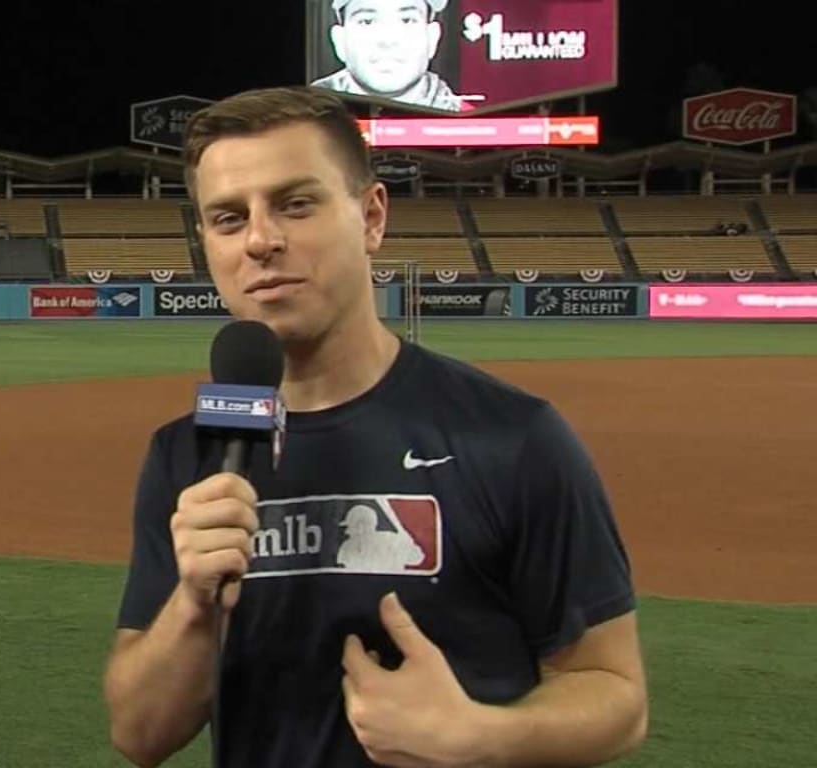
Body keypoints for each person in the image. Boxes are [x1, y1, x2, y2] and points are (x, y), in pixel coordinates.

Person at [102, 86, 647, 767]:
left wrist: (480, 737)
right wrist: (193, 602)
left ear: (370, 216)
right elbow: (138, 733)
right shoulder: (189, 455)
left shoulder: (514, 437)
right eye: (228, 218)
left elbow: (615, 694)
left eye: (296, 204)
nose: (262, 241)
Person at [310, 0, 467, 112]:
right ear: (339, 41)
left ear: (433, 38)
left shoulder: (470, 122)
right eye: (367, 22)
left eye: (407, 21)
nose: (388, 40)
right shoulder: (301, 120)